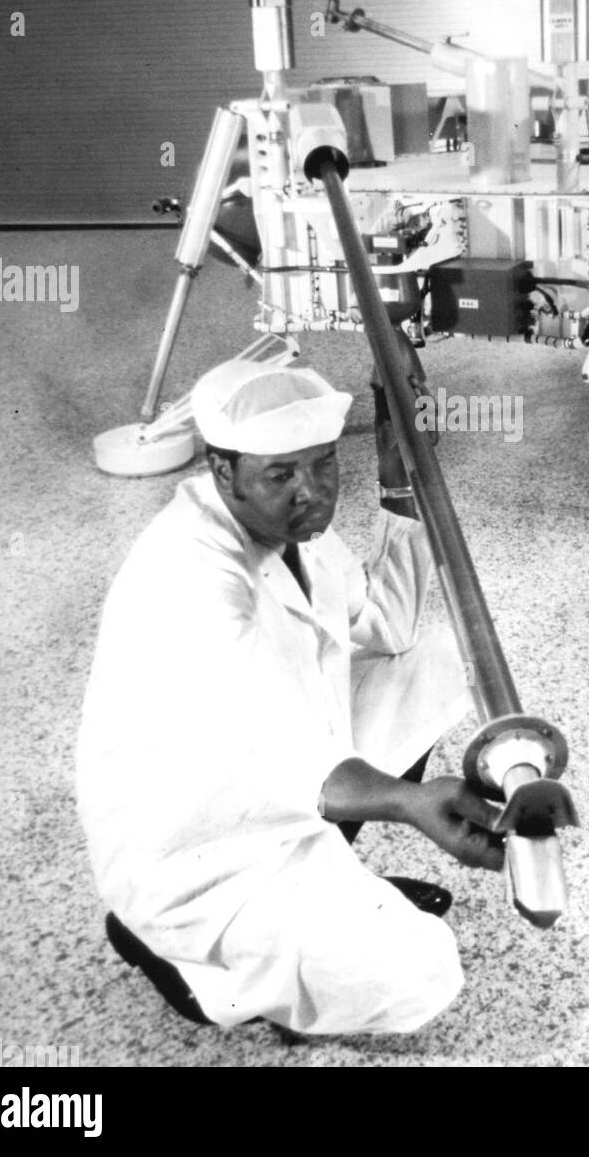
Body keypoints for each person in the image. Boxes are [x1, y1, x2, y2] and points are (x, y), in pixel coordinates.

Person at [76, 344, 504, 1036]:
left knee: (435, 658)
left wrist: (398, 483)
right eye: (281, 473)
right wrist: (408, 801)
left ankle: (323, 897)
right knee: (416, 972)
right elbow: (272, 752)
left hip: (275, 797)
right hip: (195, 852)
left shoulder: (293, 528)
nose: (314, 492)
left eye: (324, 463)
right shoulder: (186, 574)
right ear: (222, 470)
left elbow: (390, 626)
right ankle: (194, 972)